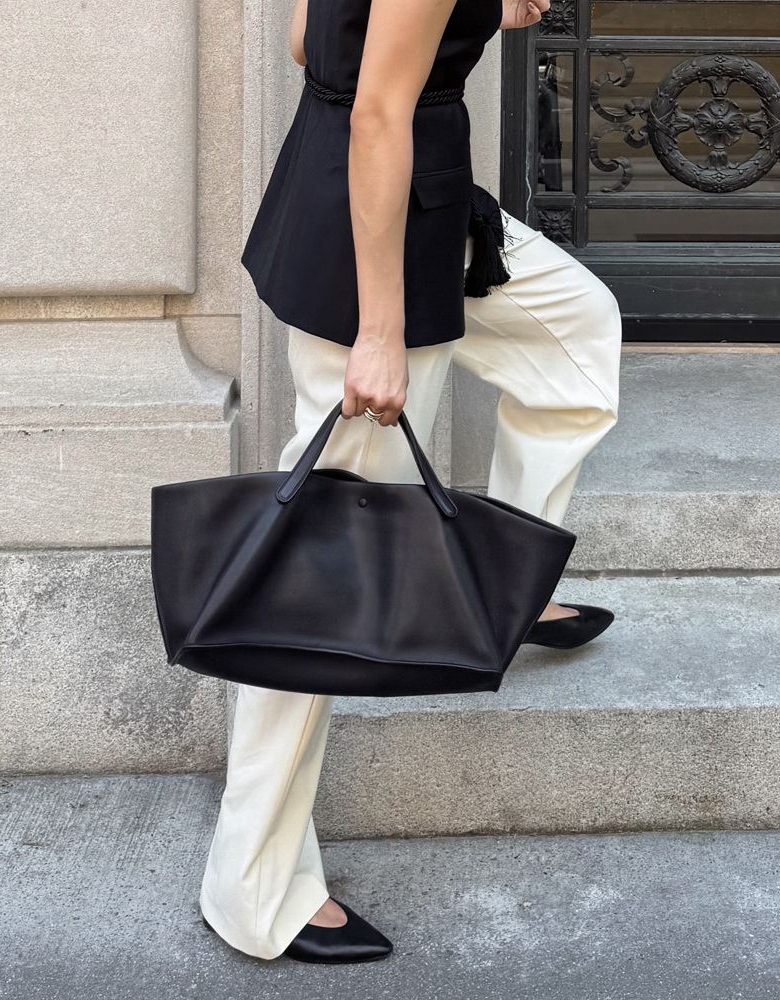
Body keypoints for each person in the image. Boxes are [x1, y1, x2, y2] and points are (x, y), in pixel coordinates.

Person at [199, 0, 622, 965]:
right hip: (375, 244)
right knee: (316, 582)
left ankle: (502, 586)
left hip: (411, 206)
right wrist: (380, 335)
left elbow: (312, 38)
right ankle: (252, 885)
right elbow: (378, 111)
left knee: (576, 336)